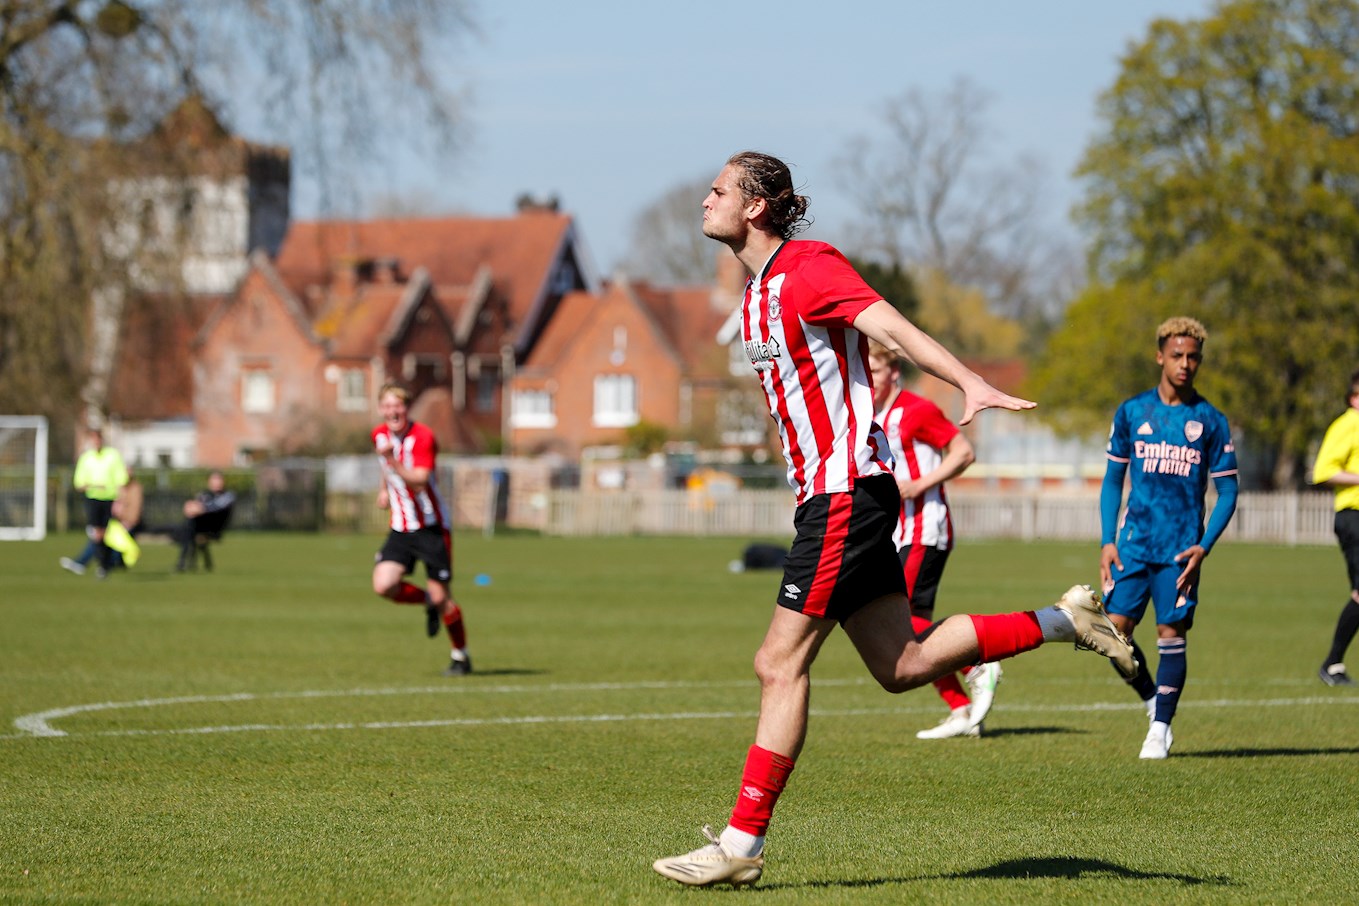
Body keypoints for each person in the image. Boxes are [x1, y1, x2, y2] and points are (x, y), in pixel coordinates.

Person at [652, 151, 1136, 889]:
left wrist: (968, 382)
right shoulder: (752, 299)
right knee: (901, 666)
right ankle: (1065, 621)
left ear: (755, 205)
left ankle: (740, 846)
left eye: (718, 190)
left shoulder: (808, 266)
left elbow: (896, 330)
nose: (705, 200)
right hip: (833, 497)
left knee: (776, 664)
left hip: (845, 496)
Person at [1098, 317, 1239, 760]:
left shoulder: (1210, 421)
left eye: (1193, 357)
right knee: (1111, 634)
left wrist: (1205, 545)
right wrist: (1107, 539)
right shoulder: (1133, 412)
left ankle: (1160, 729)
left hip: (1180, 549)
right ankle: (1151, 699)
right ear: (1160, 356)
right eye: (1177, 355)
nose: (1185, 364)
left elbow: (1229, 490)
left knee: (1169, 633)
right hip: (1134, 543)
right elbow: (1111, 482)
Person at [867, 340, 1002, 739]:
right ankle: (960, 709)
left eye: (874, 372)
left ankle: (976, 663)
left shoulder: (916, 410)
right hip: (893, 533)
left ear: (893, 372)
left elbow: (963, 452)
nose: (868, 381)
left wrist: (917, 485)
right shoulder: (869, 415)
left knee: (906, 625)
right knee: (902, 629)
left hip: (926, 527)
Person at [371, 382, 471, 677]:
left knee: (445, 598)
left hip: (431, 527)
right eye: (387, 406)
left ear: (407, 408)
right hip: (401, 527)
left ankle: (461, 656)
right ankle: (428, 602)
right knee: (383, 585)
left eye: (398, 405)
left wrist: (392, 460)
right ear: (381, 409)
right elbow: (384, 467)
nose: (393, 411)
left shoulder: (423, 437)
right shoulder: (378, 435)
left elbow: (419, 480)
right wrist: (383, 490)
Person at [1311, 366, 1359, 686]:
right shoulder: (1348, 424)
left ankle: (1334, 664)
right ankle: (1332, 663)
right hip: (1353, 515)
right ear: (1354, 396)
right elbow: (1323, 470)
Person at [59, 426, 128, 580]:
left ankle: (104, 563)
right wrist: (93, 485)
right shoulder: (86, 458)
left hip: (109, 499)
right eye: (93, 439)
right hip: (93, 499)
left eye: (98, 439)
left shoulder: (113, 456)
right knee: (97, 533)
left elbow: (121, 480)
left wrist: (120, 501)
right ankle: (103, 565)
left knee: (105, 534)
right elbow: (79, 483)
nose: (96, 442)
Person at [174, 471, 236, 571]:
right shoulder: (203, 495)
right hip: (200, 525)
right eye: (213, 480)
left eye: (218, 480)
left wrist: (200, 508)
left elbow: (216, 507)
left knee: (190, 527)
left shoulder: (228, 495)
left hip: (215, 527)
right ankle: (189, 562)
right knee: (190, 527)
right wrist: (190, 507)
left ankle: (184, 561)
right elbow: (196, 507)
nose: (216, 483)